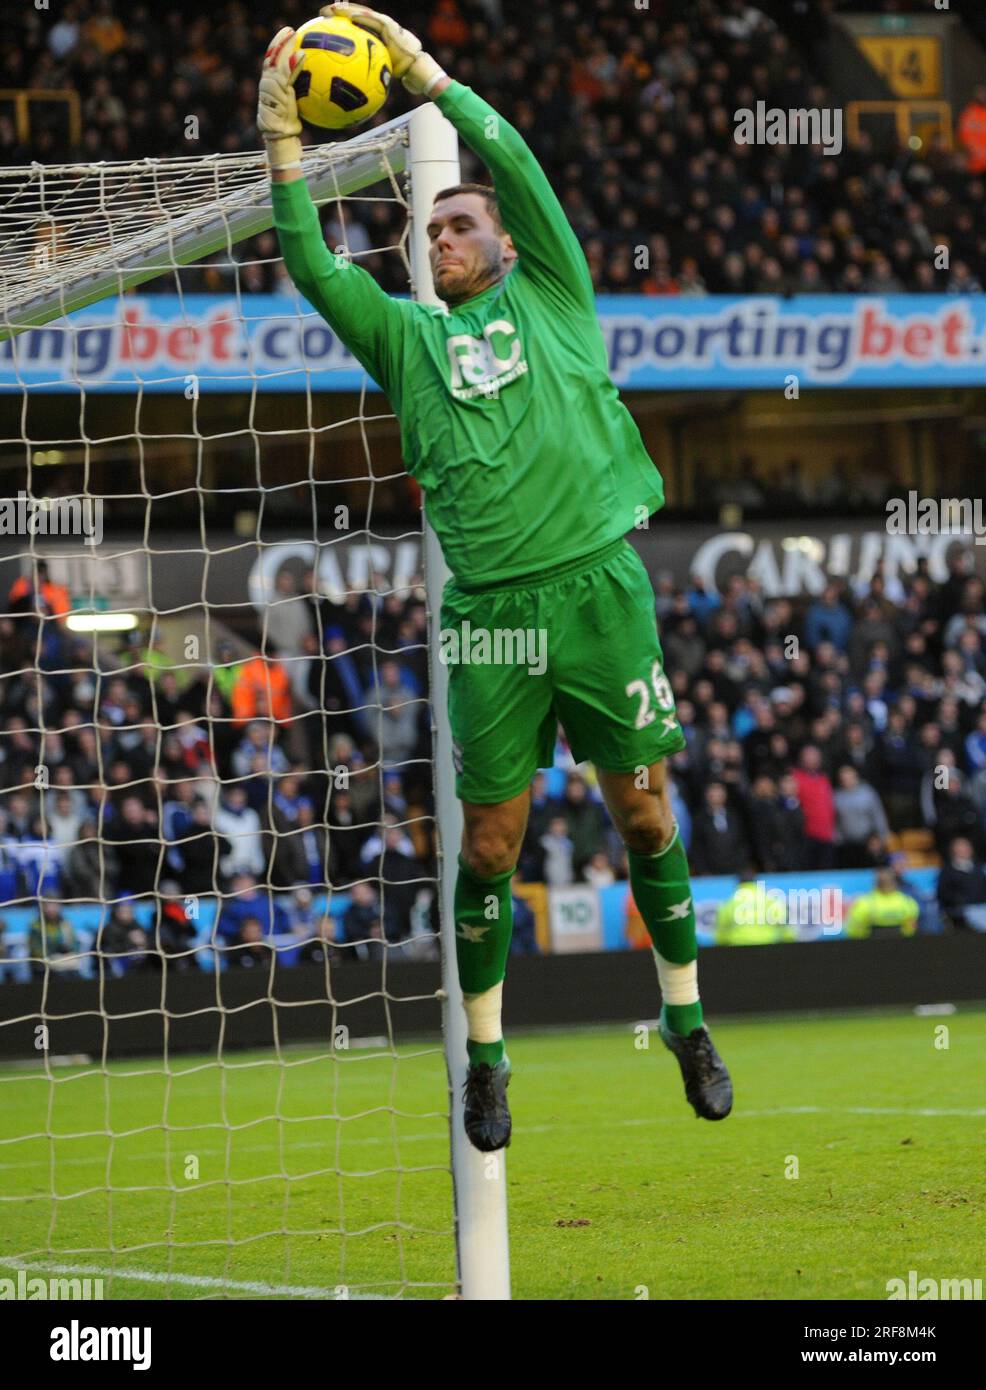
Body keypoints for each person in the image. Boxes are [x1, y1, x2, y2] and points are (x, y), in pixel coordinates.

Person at [258, 5, 732, 1152]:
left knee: (641, 807)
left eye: (464, 221)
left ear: (508, 243)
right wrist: (278, 137)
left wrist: (428, 76)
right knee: (489, 843)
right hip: (489, 623)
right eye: (432, 228)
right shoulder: (405, 341)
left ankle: (685, 1022)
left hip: (599, 589)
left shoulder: (556, 291)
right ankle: (486, 1059)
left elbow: (510, 157)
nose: (446, 234)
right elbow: (310, 258)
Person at [845, 869, 919, 939]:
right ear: (894, 883)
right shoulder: (907, 902)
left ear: (875, 883)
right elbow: (910, 930)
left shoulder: (864, 903)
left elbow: (853, 931)